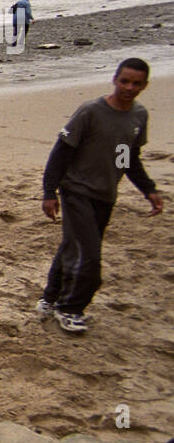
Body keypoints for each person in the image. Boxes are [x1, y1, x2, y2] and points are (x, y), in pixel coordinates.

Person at [38, 59, 162, 333]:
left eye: (136, 83)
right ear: (114, 79)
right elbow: (61, 152)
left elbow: (127, 158)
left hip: (106, 195)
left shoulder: (138, 116)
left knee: (73, 247)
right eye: (124, 81)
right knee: (90, 257)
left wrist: (148, 189)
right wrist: (49, 192)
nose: (129, 87)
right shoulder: (90, 111)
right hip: (76, 191)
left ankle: (49, 298)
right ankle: (70, 309)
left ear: (145, 85)